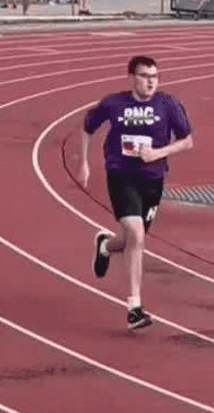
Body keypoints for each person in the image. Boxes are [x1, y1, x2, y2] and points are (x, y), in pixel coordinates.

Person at [78, 56, 194, 330]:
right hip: (121, 175)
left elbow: (187, 141)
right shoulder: (114, 104)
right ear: (131, 78)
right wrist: (83, 162)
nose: (151, 81)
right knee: (137, 234)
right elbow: (87, 127)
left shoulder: (168, 104)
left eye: (155, 76)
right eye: (144, 76)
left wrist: (158, 153)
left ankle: (105, 246)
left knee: (133, 240)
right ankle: (134, 307)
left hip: (153, 180)